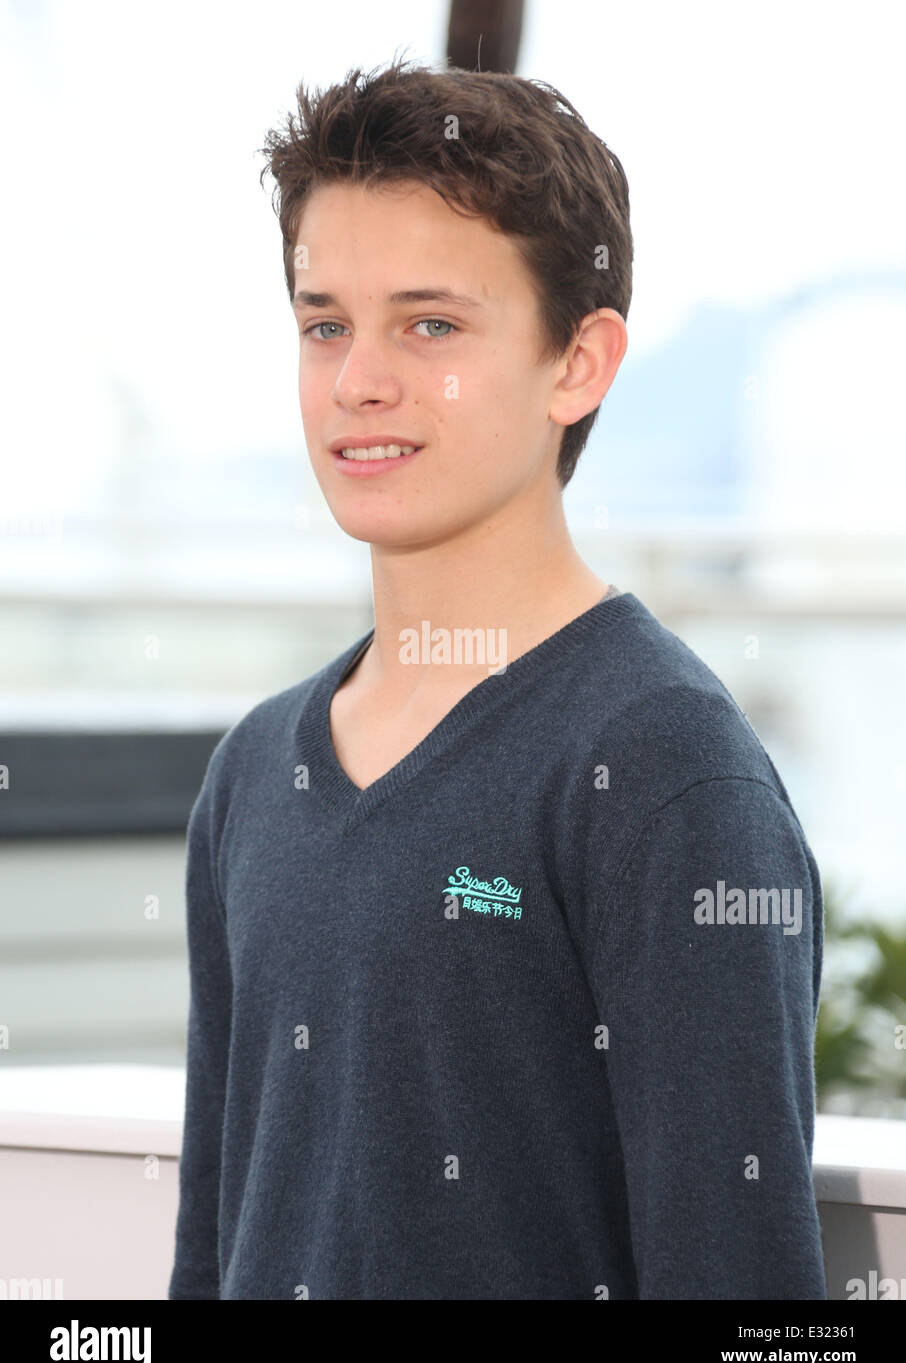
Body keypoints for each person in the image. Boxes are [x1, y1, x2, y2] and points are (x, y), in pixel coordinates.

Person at [168, 57, 827, 1300]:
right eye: (325, 324)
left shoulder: (666, 771)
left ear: (579, 362)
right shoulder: (253, 772)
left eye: (431, 324)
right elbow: (211, 1252)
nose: (360, 378)